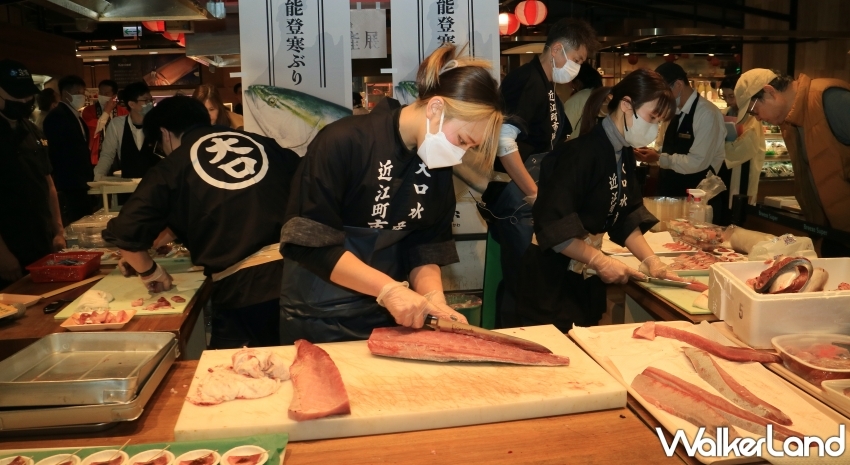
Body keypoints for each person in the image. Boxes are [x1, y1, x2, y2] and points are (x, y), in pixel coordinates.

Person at [279, 44, 501, 343]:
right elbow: (309, 244)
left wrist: (434, 298)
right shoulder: (343, 141)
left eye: (468, 147)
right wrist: (388, 288)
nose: (459, 154)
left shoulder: (435, 163)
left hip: (390, 318)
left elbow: (425, 247)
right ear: (436, 108)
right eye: (462, 139)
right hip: (318, 316)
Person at [101, 96, 302, 348]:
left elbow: (125, 234)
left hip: (245, 293)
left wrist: (151, 272)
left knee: (241, 374)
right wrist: (165, 235)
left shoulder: (172, 166)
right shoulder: (262, 144)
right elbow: (235, 202)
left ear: (165, 133)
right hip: (303, 277)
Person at [517, 68, 680, 331]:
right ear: (627, 105)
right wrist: (599, 261)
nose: (655, 128)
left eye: (660, 122)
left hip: (583, 280)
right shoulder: (576, 154)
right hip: (550, 281)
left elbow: (625, 216)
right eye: (653, 117)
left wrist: (651, 261)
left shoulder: (623, 153)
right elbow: (554, 227)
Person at [481, 18, 598, 328]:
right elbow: (505, 143)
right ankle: (516, 347)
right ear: (556, 49)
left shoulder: (547, 85)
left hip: (532, 196)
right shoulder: (526, 80)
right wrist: (533, 192)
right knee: (524, 284)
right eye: (576, 60)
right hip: (519, 198)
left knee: (530, 282)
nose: (576, 67)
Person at [735, 68, 850, 257]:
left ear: (770, 92)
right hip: (833, 233)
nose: (758, 118)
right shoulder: (789, 121)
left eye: (755, 111)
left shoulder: (830, 100)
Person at [634, 62, 728, 223]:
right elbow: (662, 147)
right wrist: (650, 153)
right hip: (670, 194)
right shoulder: (673, 111)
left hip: (698, 199)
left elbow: (697, 162)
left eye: (663, 93)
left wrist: (658, 158)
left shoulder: (707, 114)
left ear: (678, 84)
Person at [0, 60, 65, 287]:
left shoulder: (31, 129)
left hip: (40, 240)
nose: (25, 101)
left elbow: (48, 183)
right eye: (17, 95)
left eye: (28, 94)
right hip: (8, 246)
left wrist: (58, 230)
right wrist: (2, 254)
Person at [43, 74, 94, 225]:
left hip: (81, 179)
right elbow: (57, 152)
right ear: (66, 94)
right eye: (79, 92)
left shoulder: (75, 116)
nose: (82, 96)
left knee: (84, 217)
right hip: (69, 181)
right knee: (76, 220)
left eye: (83, 92)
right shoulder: (56, 117)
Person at [93, 82, 159, 181]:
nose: (150, 103)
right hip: (127, 185)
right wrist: (98, 176)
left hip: (156, 184)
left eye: (151, 100)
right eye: (146, 100)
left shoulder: (159, 124)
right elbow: (107, 154)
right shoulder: (117, 124)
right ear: (131, 104)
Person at [718, 74, 764, 207]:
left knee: (738, 206)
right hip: (725, 167)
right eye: (725, 97)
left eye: (731, 96)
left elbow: (747, 145)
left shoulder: (752, 116)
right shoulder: (726, 112)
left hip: (742, 166)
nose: (728, 101)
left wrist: (721, 148)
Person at [82, 79, 128, 166]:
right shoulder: (89, 110)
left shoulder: (123, 112)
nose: (102, 96)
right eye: (101, 93)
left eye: (106, 94)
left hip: (118, 155)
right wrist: (107, 111)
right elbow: (94, 130)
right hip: (97, 154)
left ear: (114, 96)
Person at [564, 63, 603, 140]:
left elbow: (564, 129)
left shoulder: (577, 99)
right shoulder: (602, 95)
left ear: (578, 82)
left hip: (579, 147)